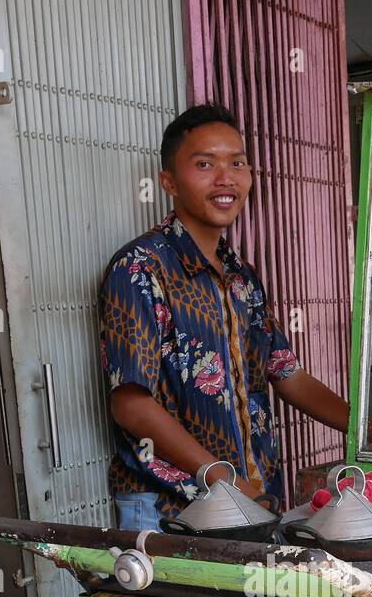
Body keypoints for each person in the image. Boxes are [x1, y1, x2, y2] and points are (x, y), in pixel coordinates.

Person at [99, 103, 349, 532]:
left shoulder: (241, 276)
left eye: (237, 162)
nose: (225, 178)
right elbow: (132, 405)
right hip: (171, 511)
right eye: (204, 164)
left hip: (249, 503)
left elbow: (286, 374)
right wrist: (224, 479)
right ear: (168, 182)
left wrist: (367, 430)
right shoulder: (140, 268)